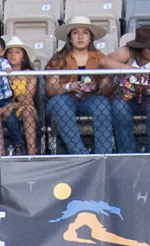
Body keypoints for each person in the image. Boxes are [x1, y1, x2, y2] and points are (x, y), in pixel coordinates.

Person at [44, 14, 115, 154]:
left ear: (90, 38)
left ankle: (104, 154)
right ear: (70, 38)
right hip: (65, 100)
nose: (80, 37)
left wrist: (97, 86)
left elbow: (108, 85)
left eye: (85, 33)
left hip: (90, 100)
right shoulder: (58, 58)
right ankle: (79, 153)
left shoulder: (101, 58)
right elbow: (50, 89)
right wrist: (69, 87)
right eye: (76, 33)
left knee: (102, 103)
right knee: (60, 103)